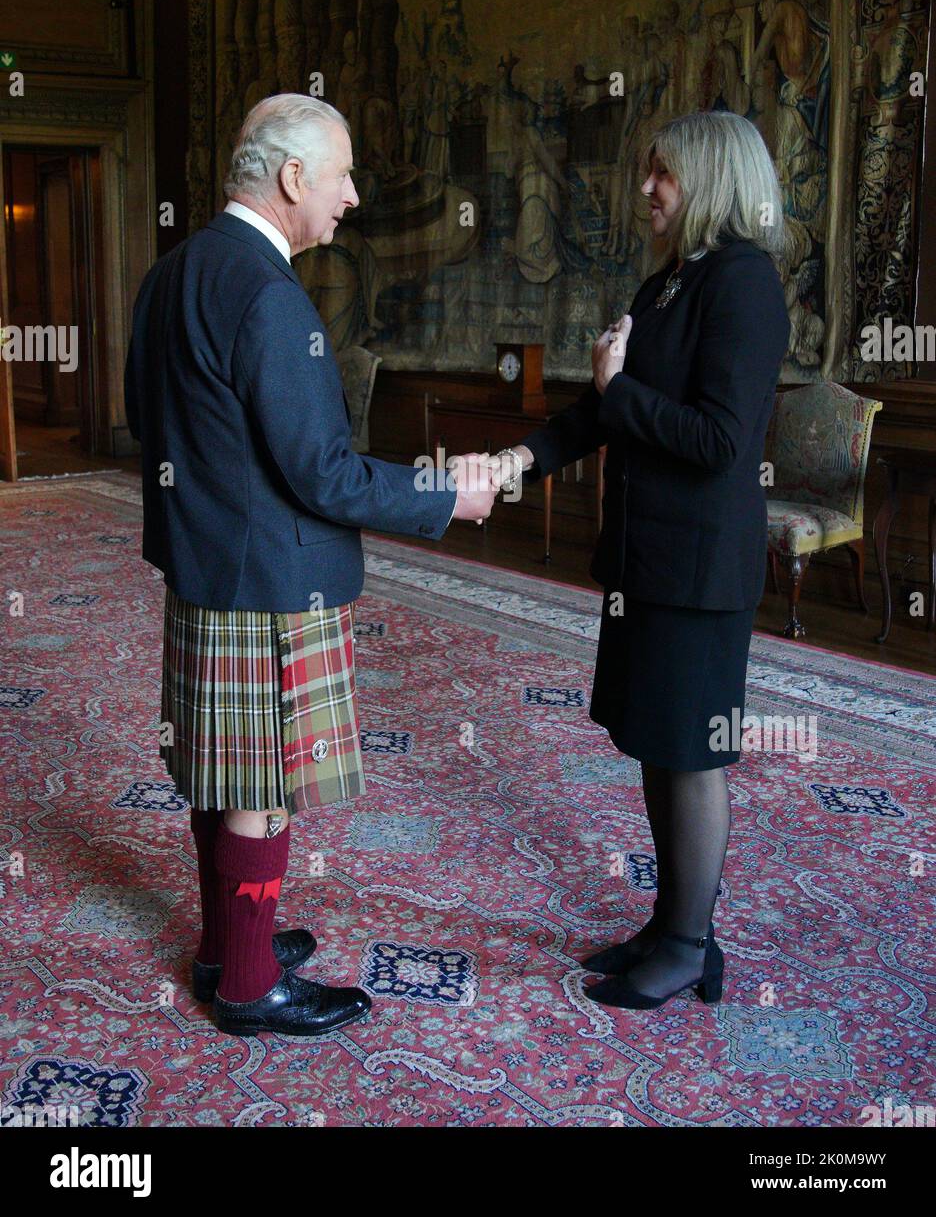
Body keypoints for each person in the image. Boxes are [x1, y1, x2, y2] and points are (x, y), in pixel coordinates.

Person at [124, 94, 497, 1038]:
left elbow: (150, 419)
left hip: (206, 567)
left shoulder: (173, 274)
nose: (353, 195)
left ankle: (224, 947)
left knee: (222, 773)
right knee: (261, 784)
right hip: (273, 584)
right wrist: (443, 493)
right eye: (341, 177)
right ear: (293, 179)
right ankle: (249, 988)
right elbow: (322, 474)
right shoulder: (268, 293)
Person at [490, 110, 790, 1010]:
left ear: (711, 181)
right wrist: (520, 462)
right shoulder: (671, 284)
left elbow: (720, 440)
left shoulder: (743, 284)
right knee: (658, 743)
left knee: (693, 754)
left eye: (663, 174)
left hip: (698, 569)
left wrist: (621, 391)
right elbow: (600, 409)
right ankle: (670, 925)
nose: (647, 189)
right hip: (648, 559)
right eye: (648, 170)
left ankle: (693, 946)